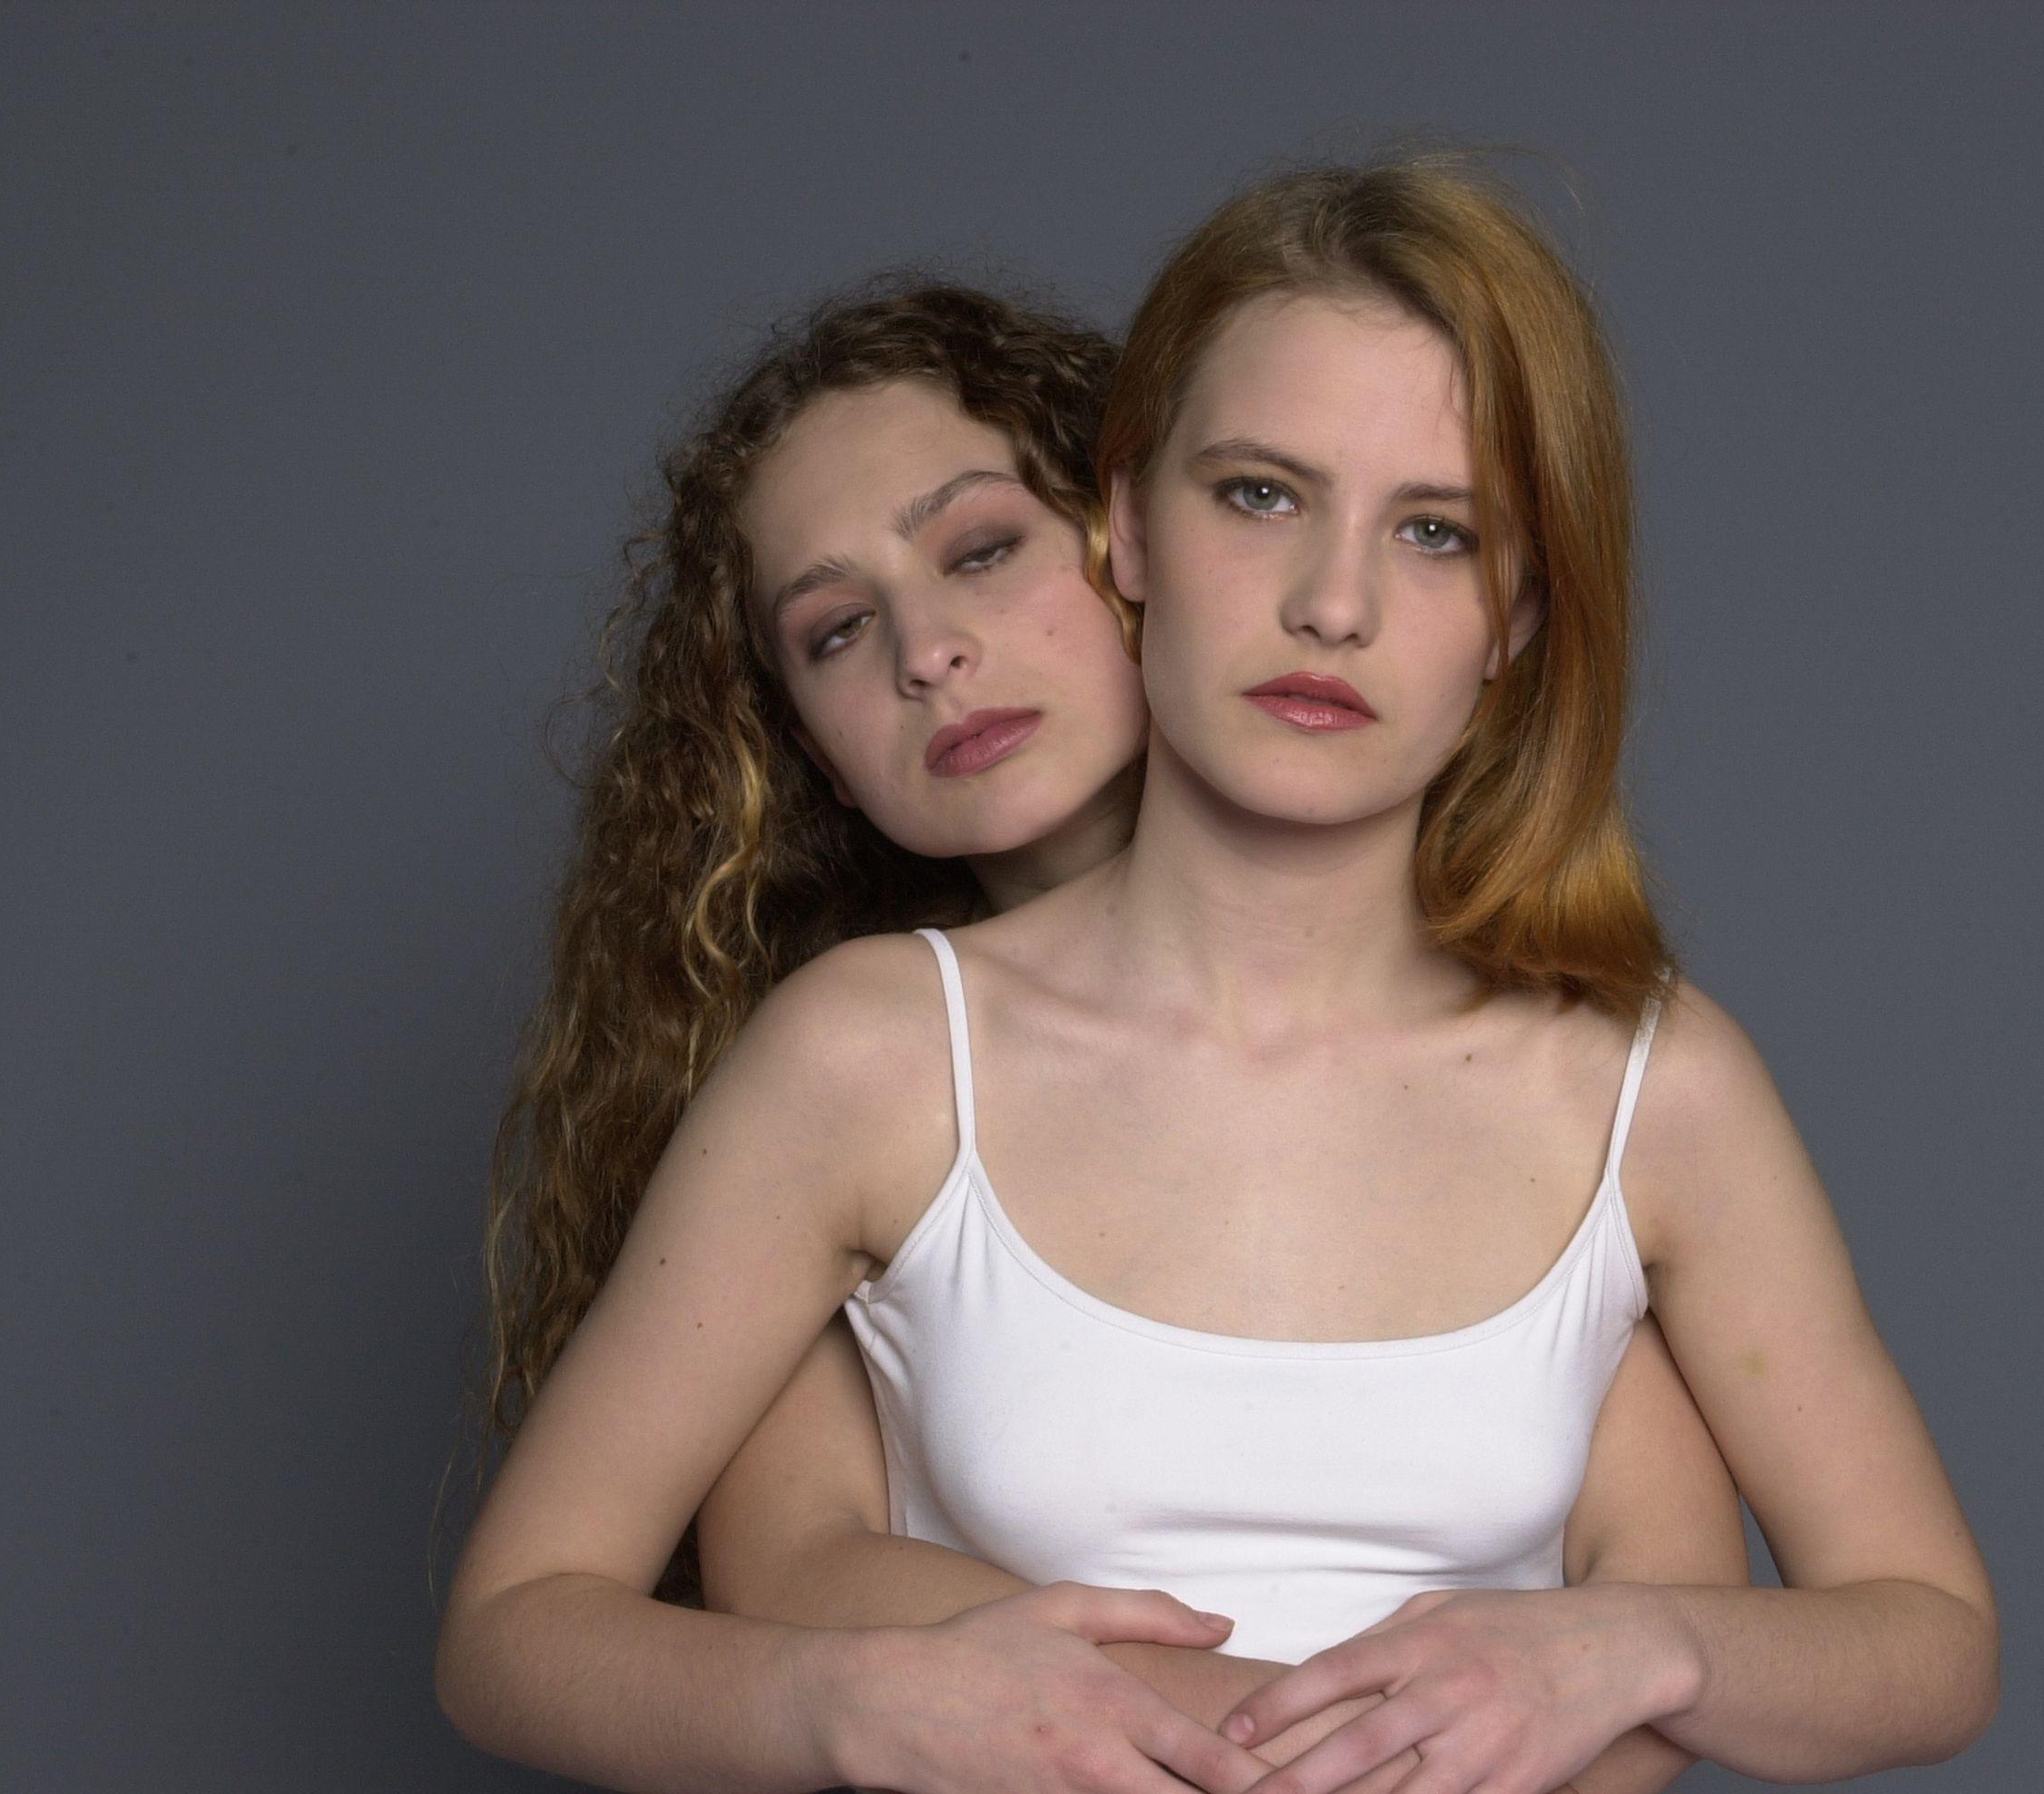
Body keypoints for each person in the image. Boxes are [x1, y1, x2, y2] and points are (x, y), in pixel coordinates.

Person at [450, 273, 1749, 1793]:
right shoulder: (856, 1077)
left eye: (982, 551)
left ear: (1139, 540)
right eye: (837, 629)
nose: (928, 652)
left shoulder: (1556, 1077)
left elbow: (1665, 1608)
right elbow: (789, 1575)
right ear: (804, 746)